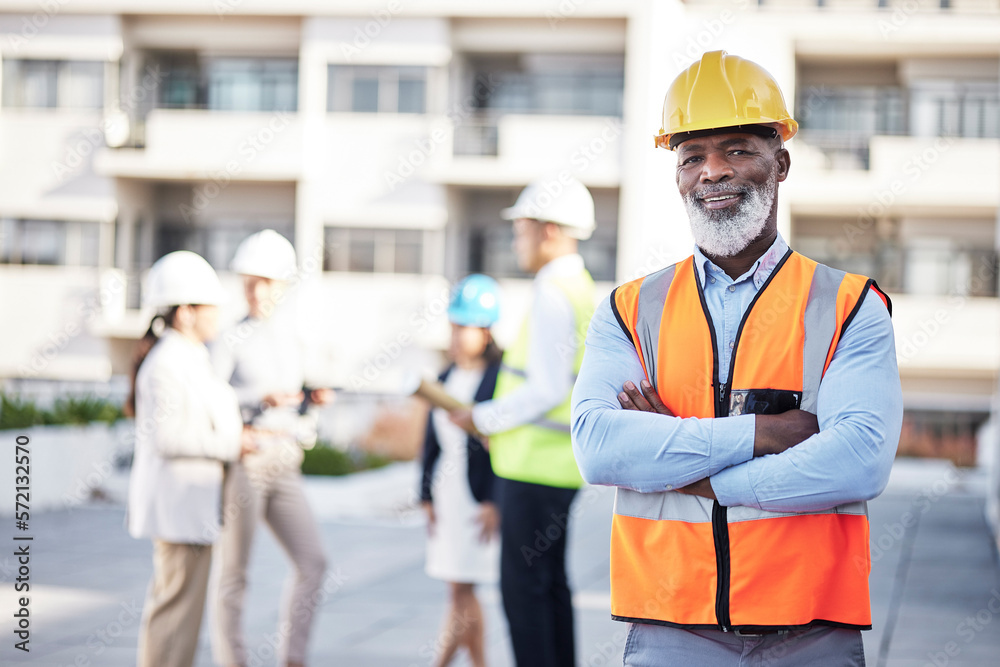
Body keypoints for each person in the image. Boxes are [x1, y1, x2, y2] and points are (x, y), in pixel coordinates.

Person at [571, 50, 904, 666]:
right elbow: (598, 447)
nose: (711, 172)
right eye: (692, 156)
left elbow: (859, 460)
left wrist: (685, 465)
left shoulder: (850, 305)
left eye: (737, 150)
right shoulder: (628, 308)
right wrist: (767, 433)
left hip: (813, 632)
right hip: (672, 627)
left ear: (781, 163)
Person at [450, 176, 597, 667]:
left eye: (522, 229)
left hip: (532, 471)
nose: (516, 239)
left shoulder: (553, 291)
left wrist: (483, 417)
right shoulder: (579, 288)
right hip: (555, 470)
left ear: (549, 231)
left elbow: (547, 387)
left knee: (524, 596)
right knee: (550, 588)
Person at [126, 250, 256, 667]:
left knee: (184, 619)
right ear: (185, 313)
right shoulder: (166, 364)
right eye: (210, 307)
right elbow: (168, 437)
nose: (218, 316)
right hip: (178, 514)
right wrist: (233, 445)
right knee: (173, 618)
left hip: (191, 512)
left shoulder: (188, 357)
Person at [209, 230, 330, 667]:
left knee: (314, 561)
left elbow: (299, 397)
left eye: (265, 282)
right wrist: (260, 399)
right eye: (249, 282)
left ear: (284, 285)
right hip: (248, 462)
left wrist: (311, 399)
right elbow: (212, 400)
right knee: (234, 574)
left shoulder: (294, 337)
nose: (255, 291)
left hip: (285, 462)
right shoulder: (228, 339)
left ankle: (292, 659)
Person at [419, 274, 504, 667]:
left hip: (477, 499)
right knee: (458, 592)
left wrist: (495, 501)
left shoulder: (499, 378)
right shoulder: (444, 378)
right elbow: (430, 443)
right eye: (452, 327)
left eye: (462, 328)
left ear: (485, 331)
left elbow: (504, 446)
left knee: (462, 590)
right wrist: (425, 496)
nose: (454, 337)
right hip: (447, 496)